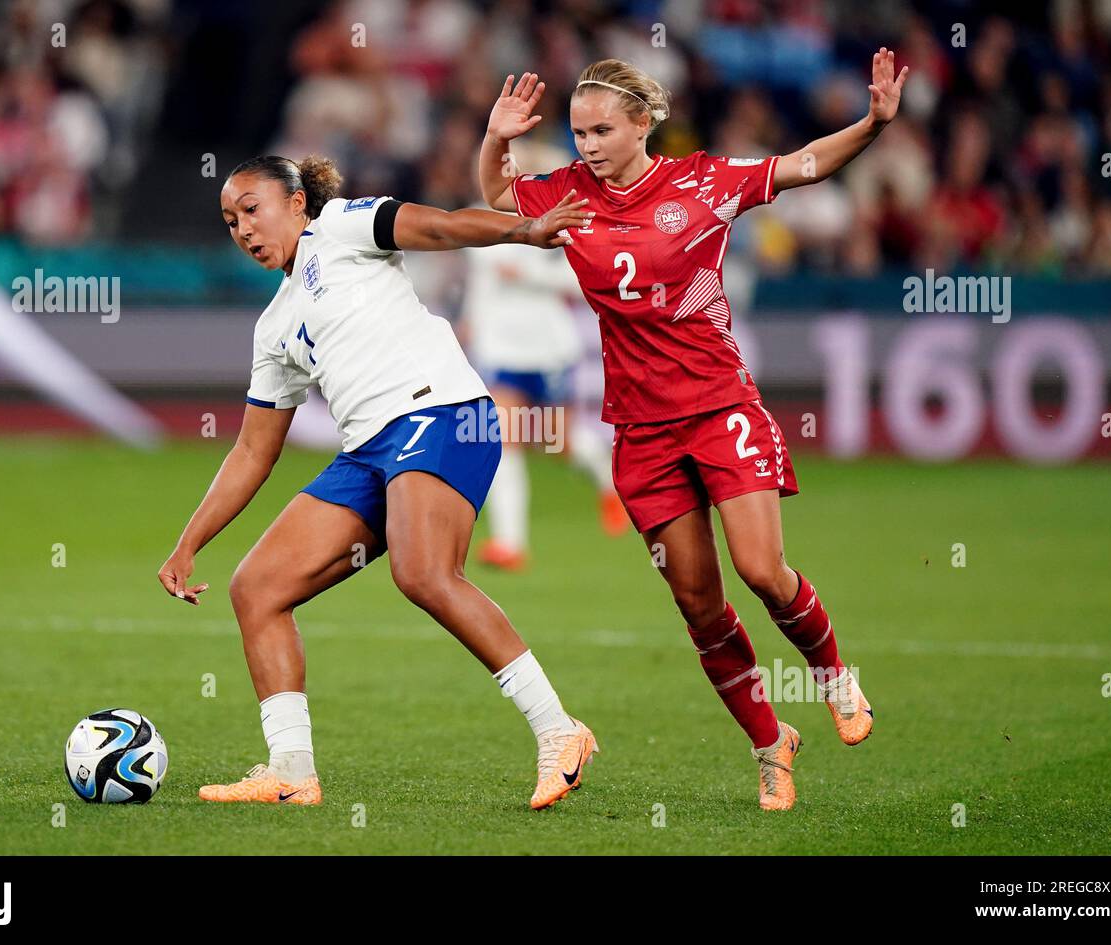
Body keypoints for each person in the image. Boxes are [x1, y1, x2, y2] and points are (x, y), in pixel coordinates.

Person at [479, 51, 908, 810]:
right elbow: (497, 199)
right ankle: (771, 743)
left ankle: (836, 678)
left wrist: (872, 124)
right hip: (641, 433)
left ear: (645, 123)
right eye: (578, 132)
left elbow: (805, 165)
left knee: (762, 570)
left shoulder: (703, 182)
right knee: (699, 606)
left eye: (603, 130)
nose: (588, 146)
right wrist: (495, 139)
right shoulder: (568, 193)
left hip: (720, 407)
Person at [157, 154, 598, 810]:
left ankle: (559, 729)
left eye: (253, 208)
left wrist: (523, 229)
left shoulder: (339, 226)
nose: (243, 228)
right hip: (369, 451)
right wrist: (189, 540)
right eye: (230, 221)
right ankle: (292, 770)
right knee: (258, 588)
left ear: (298, 202)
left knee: (422, 571)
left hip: (442, 413)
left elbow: (442, 227)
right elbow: (253, 449)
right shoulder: (274, 326)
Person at [461, 190, 626, 572]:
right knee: (502, 438)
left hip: (548, 348)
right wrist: (471, 318)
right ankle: (509, 544)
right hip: (501, 348)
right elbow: (482, 279)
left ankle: (609, 481)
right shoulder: (481, 218)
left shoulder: (554, 217)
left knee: (558, 442)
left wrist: (529, 274)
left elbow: (580, 279)